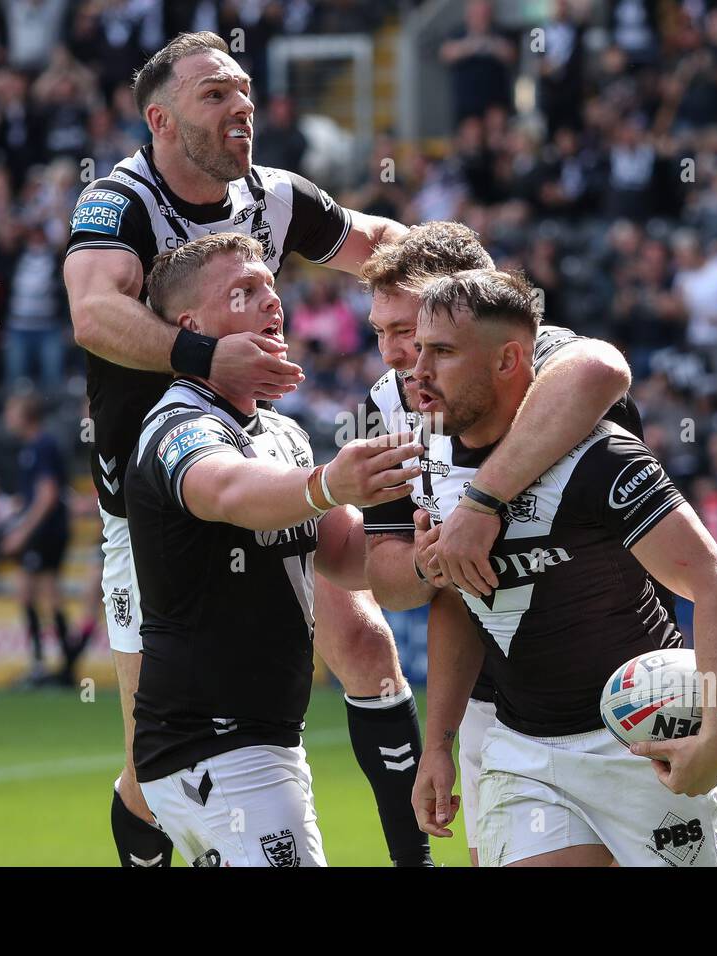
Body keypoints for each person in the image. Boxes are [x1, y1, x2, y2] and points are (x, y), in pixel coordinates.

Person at [63, 31, 429, 866]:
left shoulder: (275, 196)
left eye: (246, 97)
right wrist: (203, 355)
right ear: (159, 118)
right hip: (156, 504)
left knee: (369, 647)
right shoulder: (118, 201)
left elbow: (381, 248)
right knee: (151, 768)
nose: (242, 110)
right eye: (215, 95)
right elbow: (92, 314)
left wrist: (476, 282)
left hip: (261, 454)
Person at [400, 269, 717, 866]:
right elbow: (462, 603)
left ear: (510, 360)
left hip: (638, 745)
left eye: (443, 352)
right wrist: (437, 743)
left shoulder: (600, 456)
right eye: (418, 350)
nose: (418, 371)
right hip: (522, 751)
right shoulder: (432, 461)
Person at [125, 234, 423, 866]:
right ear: (194, 327)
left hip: (265, 741)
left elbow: (344, 552)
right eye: (245, 292)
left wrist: (432, 539)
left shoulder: (280, 430)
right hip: (209, 744)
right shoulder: (177, 423)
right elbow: (228, 490)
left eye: (269, 285)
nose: (272, 302)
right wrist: (327, 483)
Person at [355, 221, 639, 862]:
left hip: (611, 688)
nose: (399, 355)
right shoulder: (388, 405)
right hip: (494, 702)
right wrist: (431, 563)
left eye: (410, 331)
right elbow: (390, 580)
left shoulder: (542, 358)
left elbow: (603, 369)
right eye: (382, 332)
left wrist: (482, 504)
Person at [1, 390, 81, 687]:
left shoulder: (41, 445)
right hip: (48, 530)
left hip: (45, 531)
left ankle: (47, 666)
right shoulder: (33, 447)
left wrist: (21, 532)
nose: (7, 418)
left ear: (26, 414)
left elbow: (47, 496)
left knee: (33, 593)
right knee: (47, 593)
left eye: (11, 411)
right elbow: (38, 494)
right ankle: (64, 667)